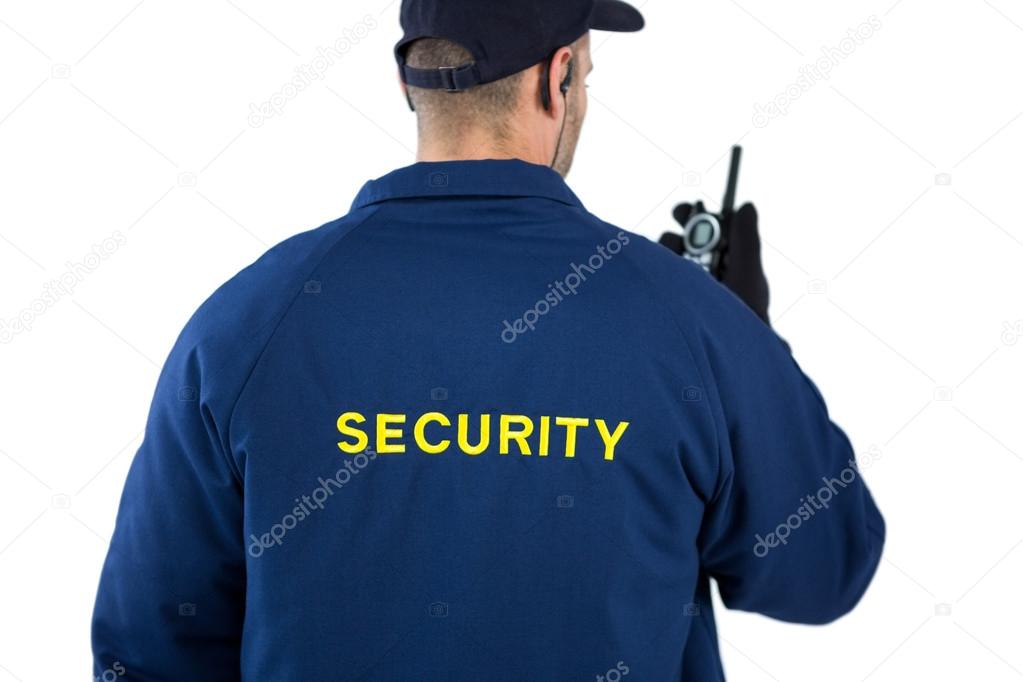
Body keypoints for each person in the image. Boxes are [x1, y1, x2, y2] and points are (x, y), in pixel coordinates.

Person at [91, 0, 885, 679]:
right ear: (558, 77)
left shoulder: (245, 324)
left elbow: (148, 645)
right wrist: (753, 341)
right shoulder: (692, 328)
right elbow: (821, 573)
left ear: (406, 80)